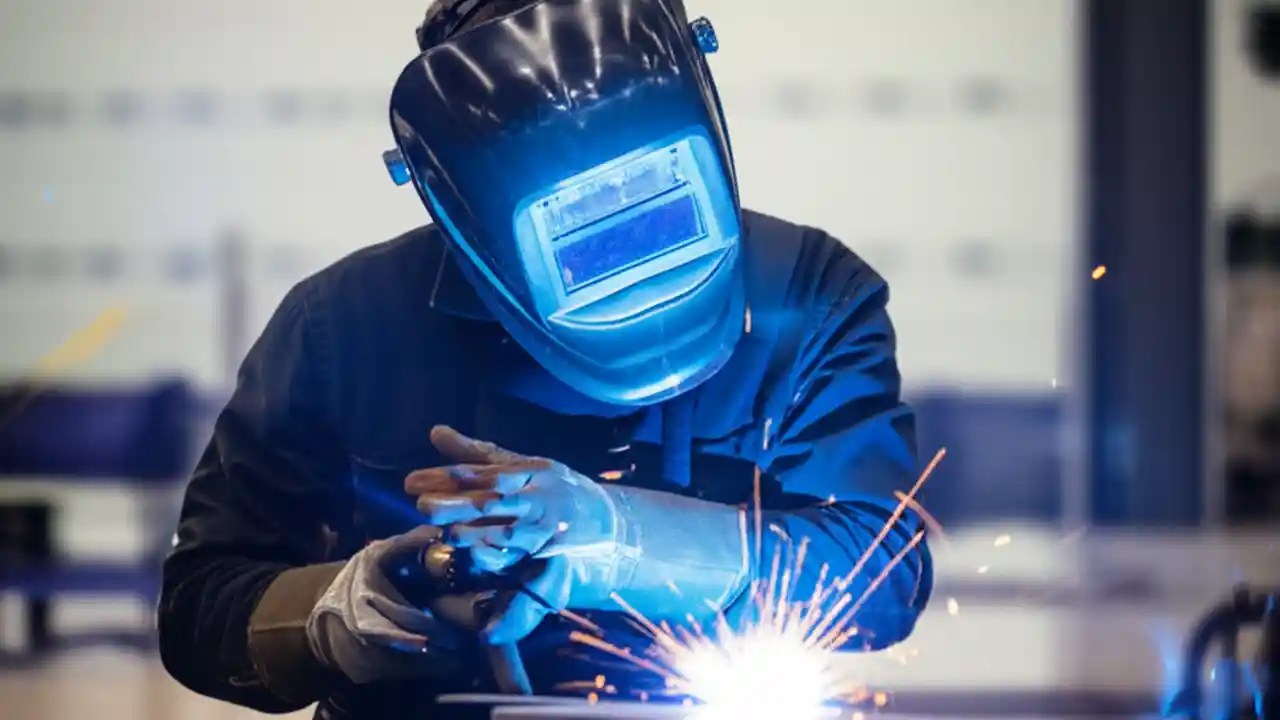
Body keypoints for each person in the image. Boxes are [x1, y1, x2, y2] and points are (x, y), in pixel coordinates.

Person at [158, 0, 934, 718]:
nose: (627, 264)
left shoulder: (810, 297)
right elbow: (198, 608)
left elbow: (881, 577)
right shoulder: (341, 327)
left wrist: (626, 539)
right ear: (458, 190)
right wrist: (331, 610)